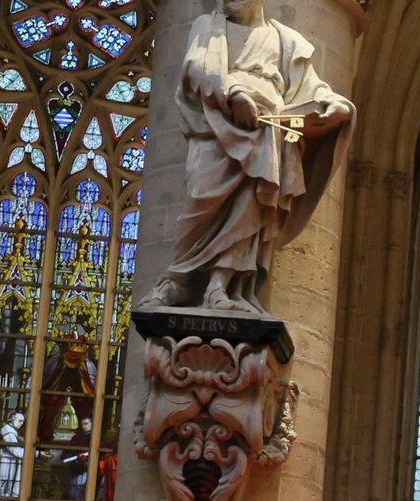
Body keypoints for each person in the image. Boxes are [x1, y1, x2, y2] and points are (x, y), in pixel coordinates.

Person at [142, 0, 355, 312]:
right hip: (219, 125)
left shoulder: (287, 41)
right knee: (201, 198)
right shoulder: (208, 27)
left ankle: (220, 285)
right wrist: (234, 95)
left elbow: (312, 89)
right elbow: (196, 67)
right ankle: (178, 279)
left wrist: (336, 107)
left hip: (266, 134)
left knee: (251, 205)